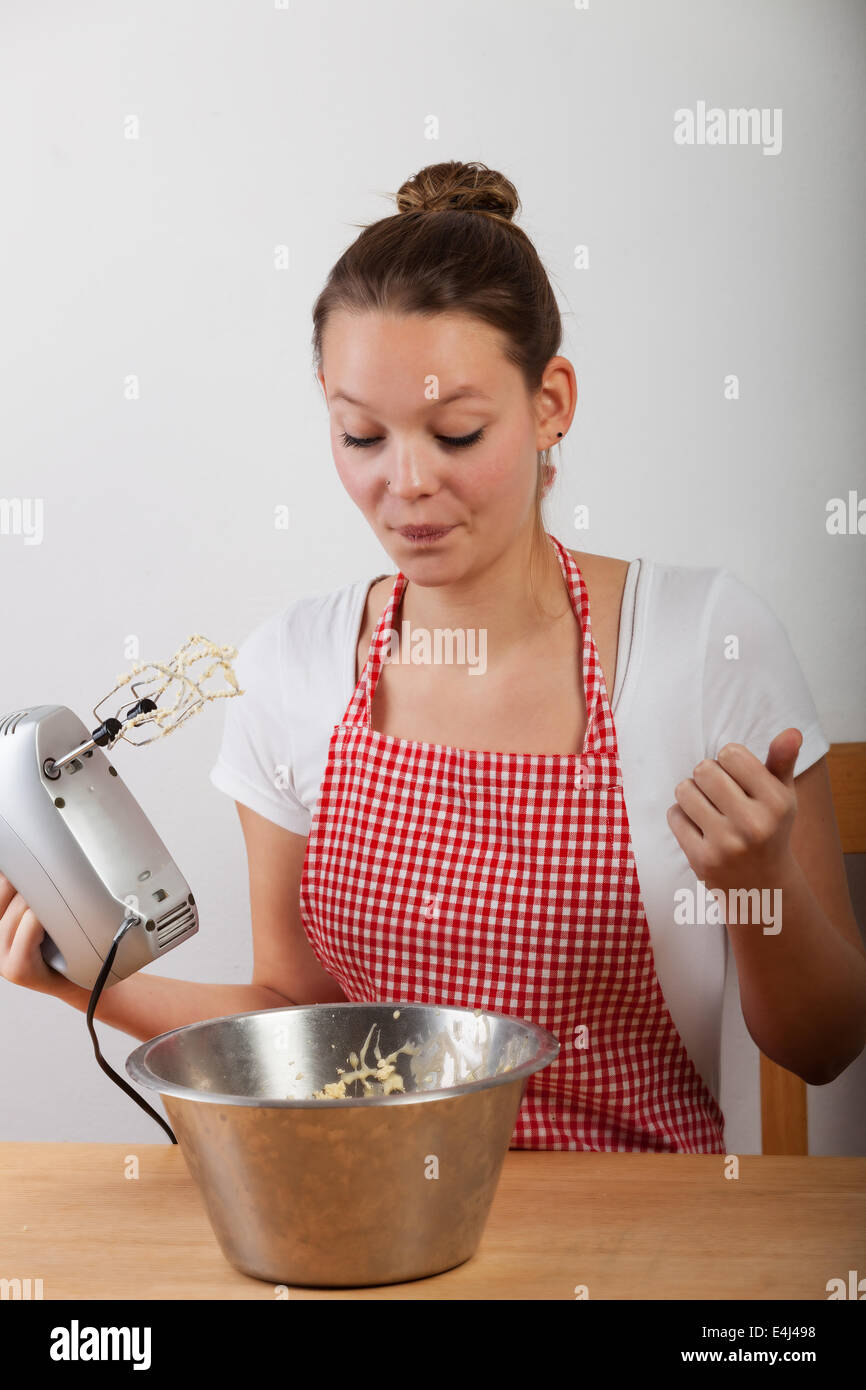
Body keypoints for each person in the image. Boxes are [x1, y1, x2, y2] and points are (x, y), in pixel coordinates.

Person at [3, 161, 864, 1151]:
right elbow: (299, 1017)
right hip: (371, 1215)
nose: (404, 483)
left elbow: (824, 1045)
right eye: (360, 435)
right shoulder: (292, 669)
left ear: (550, 404)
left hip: (634, 1227)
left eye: (455, 432)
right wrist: (86, 981)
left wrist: (761, 885)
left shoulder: (701, 642)